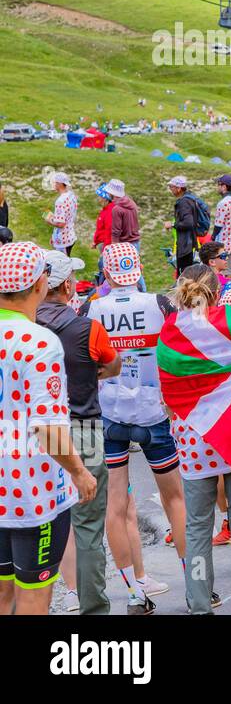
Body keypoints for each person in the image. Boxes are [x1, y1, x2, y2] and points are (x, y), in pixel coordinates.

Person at [84, 243, 193, 614]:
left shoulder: (93, 308)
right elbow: (181, 350)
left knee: (115, 505)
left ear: (107, 273)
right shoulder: (160, 303)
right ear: (138, 269)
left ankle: (134, 593)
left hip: (111, 413)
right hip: (155, 411)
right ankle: (196, 588)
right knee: (176, 500)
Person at [0, 243, 98, 616]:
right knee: (33, 598)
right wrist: (78, 471)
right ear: (40, 283)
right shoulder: (39, 342)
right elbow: (48, 427)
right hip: (31, 490)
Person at [168, 265, 231, 614]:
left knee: (197, 529)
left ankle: (198, 604)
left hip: (194, 440)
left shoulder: (171, 332)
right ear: (217, 294)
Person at [35, 250, 120, 616]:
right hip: (83, 427)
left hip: (35, 433)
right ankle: (93, 608)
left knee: (38, 526)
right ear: (68, 286)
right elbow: (112, 365)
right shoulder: (89, 327)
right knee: (87, 527)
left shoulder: (25, 329)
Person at [168, 175, 204, 271]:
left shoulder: (184, 202)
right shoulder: (190, 198)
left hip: (186, 246)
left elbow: (188, 223)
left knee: (185, 274)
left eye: (172, 187)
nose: (170, 189)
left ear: (179, 188)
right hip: (190, 243)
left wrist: (172, 225)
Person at [45, 171, 78, 256]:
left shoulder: (60, 201)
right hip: (70, 235)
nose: (53, 184)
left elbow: (61, 224)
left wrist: (49, 220)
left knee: (63, 266)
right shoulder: (71, 195)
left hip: (63, 240)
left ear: (59, 184)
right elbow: (67, 215)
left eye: (54, 182)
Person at [211, 174, 231, 250]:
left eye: (218, 184)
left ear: (224, 187)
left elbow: (218, 225)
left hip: (223, 244)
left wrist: (212, 237)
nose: (217, 187)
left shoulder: (223, 203)